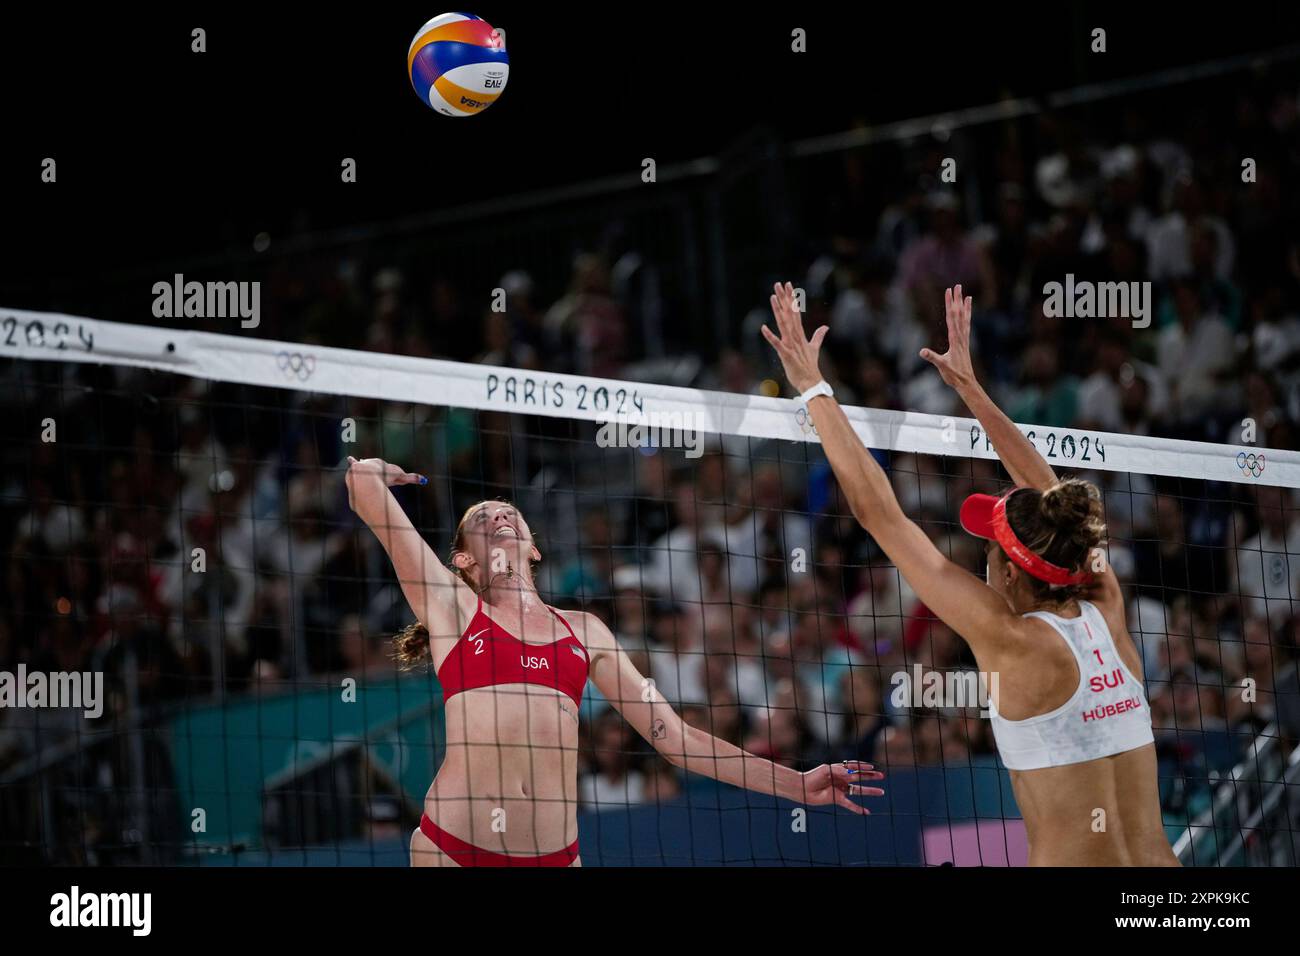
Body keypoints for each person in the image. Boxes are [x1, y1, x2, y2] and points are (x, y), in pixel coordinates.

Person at [762, 282, 1178, 866]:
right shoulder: (1107, 605)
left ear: (1008, 571)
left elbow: (879, 515)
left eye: (989, 546)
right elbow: (1057, 497)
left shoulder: (1010, 639)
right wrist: (973, 391)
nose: (982, 554)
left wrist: (813, 387)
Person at [344, 457, 883, 866]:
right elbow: (363, 492)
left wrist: (797, 784)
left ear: (533, 548)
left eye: (510, 514)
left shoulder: (585, 631)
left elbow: (675, 737)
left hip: (555, 858)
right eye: (482, 520)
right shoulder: (453, 608)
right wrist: (376, 471)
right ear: (463, 559)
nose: (500, 516)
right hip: (454, 850)